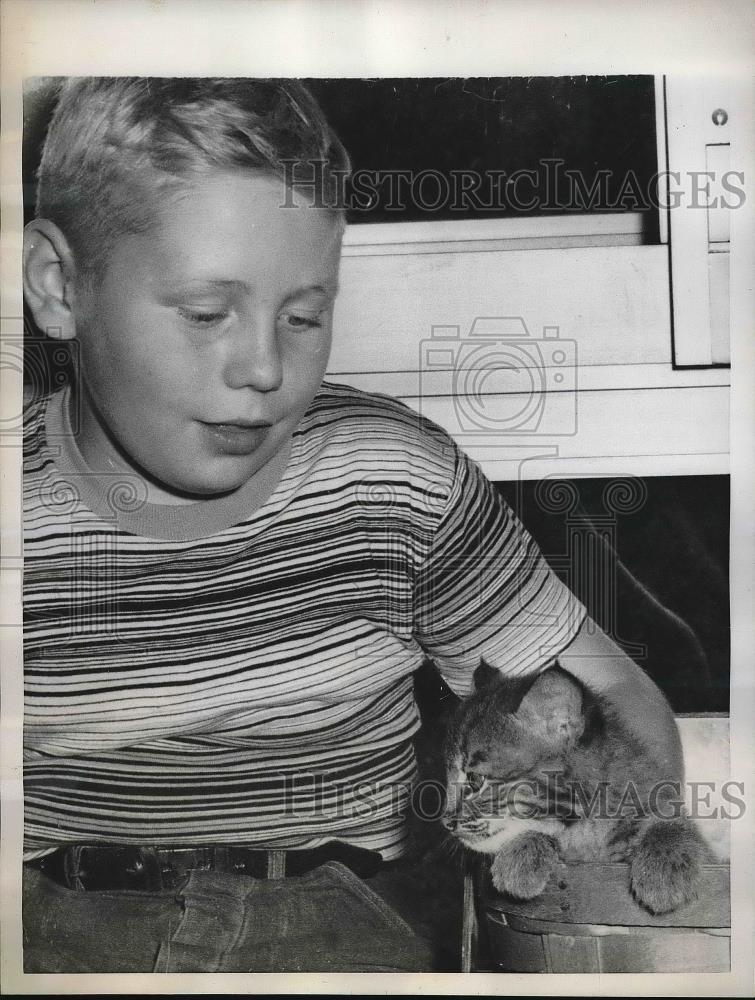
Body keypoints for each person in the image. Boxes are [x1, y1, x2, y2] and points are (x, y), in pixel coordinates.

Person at [21, 77, 683, 974]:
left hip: (346, 924)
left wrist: (578, 863)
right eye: (207, 314)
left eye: (305, 315)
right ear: (59, 286)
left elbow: (616, 705)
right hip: (56, 928)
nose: (264, 366)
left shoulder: (393, 477)